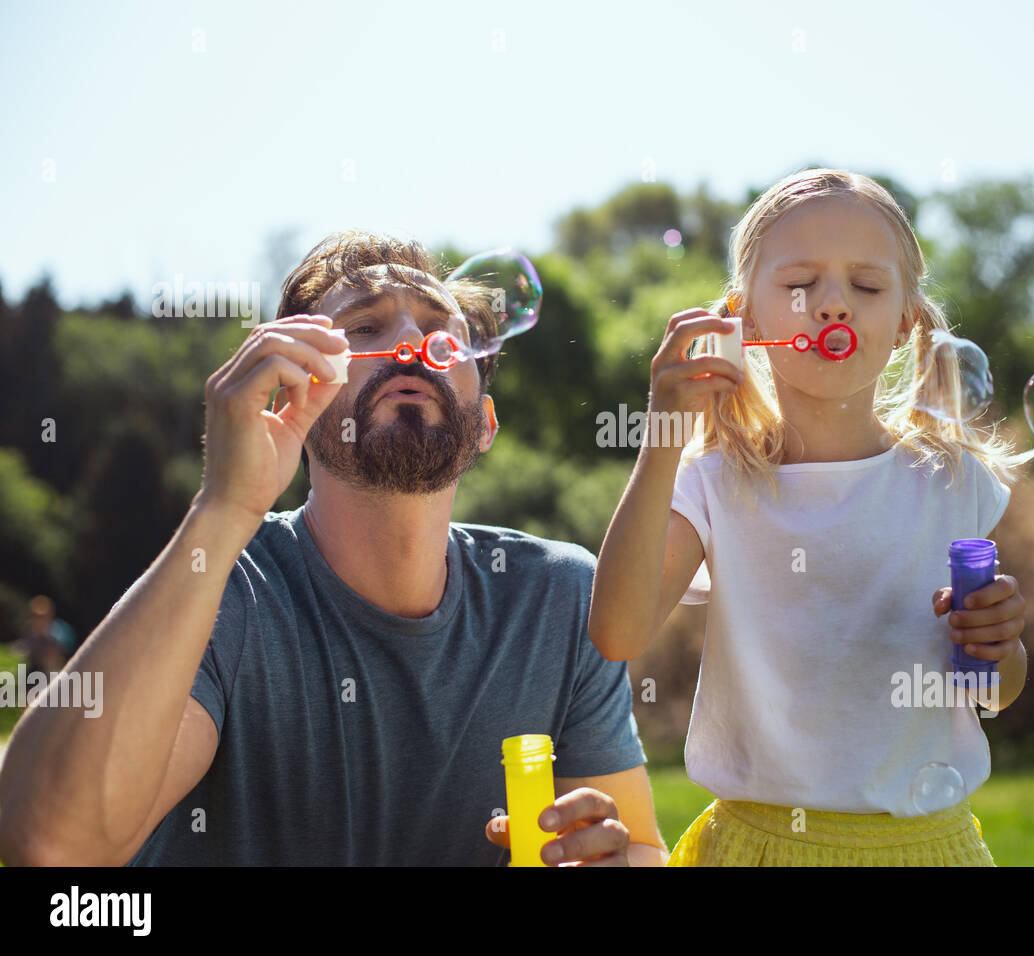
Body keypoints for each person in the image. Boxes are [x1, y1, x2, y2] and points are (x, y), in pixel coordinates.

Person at [0, 231, 667, 866]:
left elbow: (639, 847)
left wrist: (610, 859)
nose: (411, 342)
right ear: (293, 396)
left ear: (485, 424)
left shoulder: (559, 598)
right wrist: (224, 506)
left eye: (440, 331)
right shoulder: (227, 583)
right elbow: (52, 843)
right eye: (366, 328)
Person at [589, 168, 1034, 866]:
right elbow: (617, 633)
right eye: (800, 284)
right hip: (759, 849)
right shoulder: (713, 485)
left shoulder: (951, 482)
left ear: (904, 326)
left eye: (866, 286)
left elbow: (991, 694)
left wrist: (1000, 650)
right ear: (746, 321)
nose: (832, 305)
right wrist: (663, 439)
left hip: (927, 846)